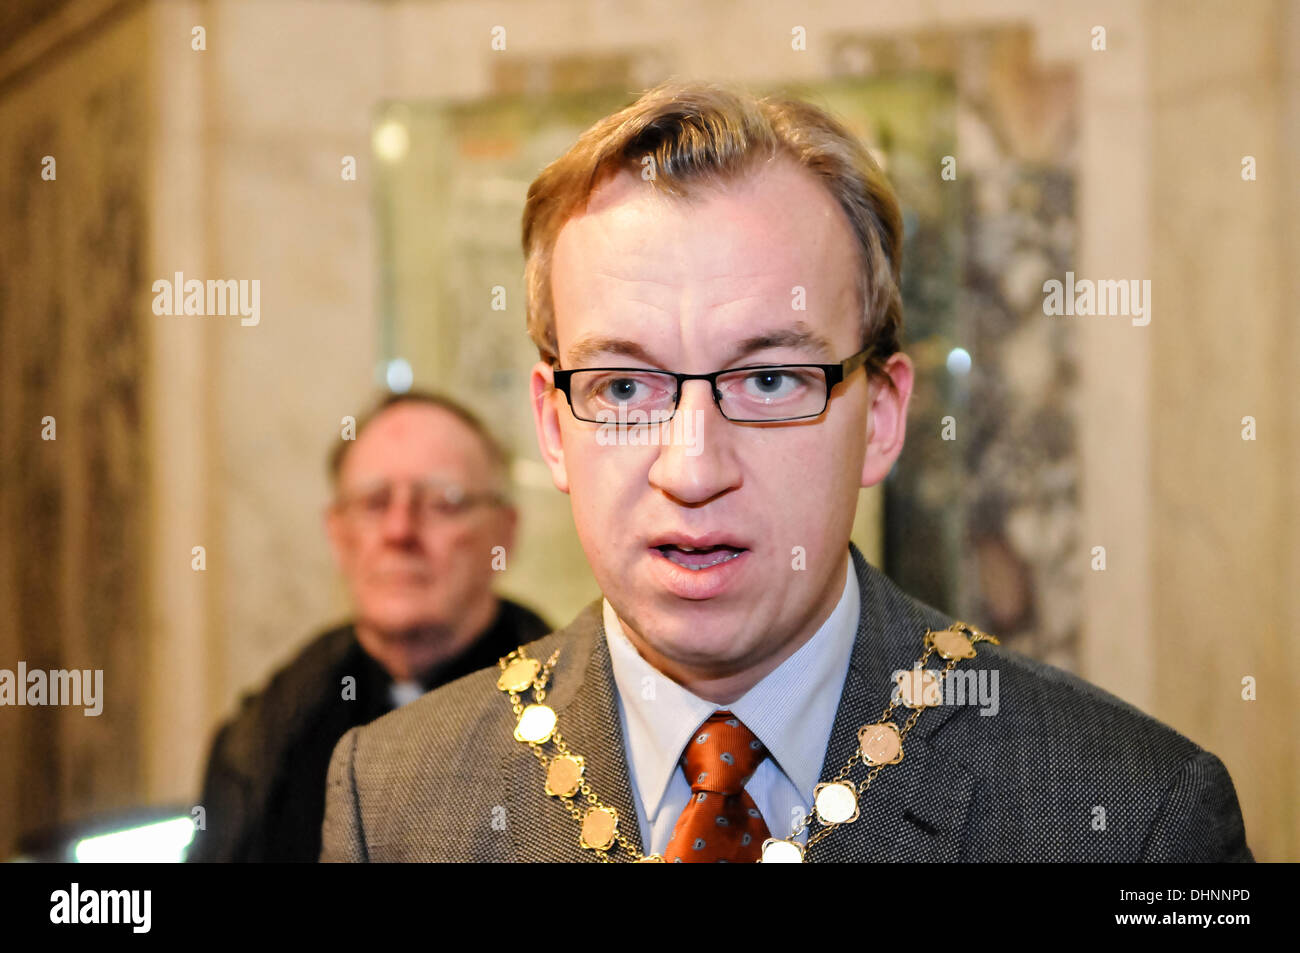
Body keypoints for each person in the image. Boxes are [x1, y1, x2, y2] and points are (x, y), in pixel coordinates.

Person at [320, 82, 1252, 862]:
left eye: (769, 378)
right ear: (554, 428)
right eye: (624, 384)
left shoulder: (1133, 817)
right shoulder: (396, 802)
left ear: (881, 418)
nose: (692, 467)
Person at [188, 391, 549, 862]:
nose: (400, 531)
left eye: (443, 502)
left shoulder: (576, 722)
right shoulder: (257, 744)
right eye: (375, 503)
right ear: (337, 534)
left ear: (505, 533)